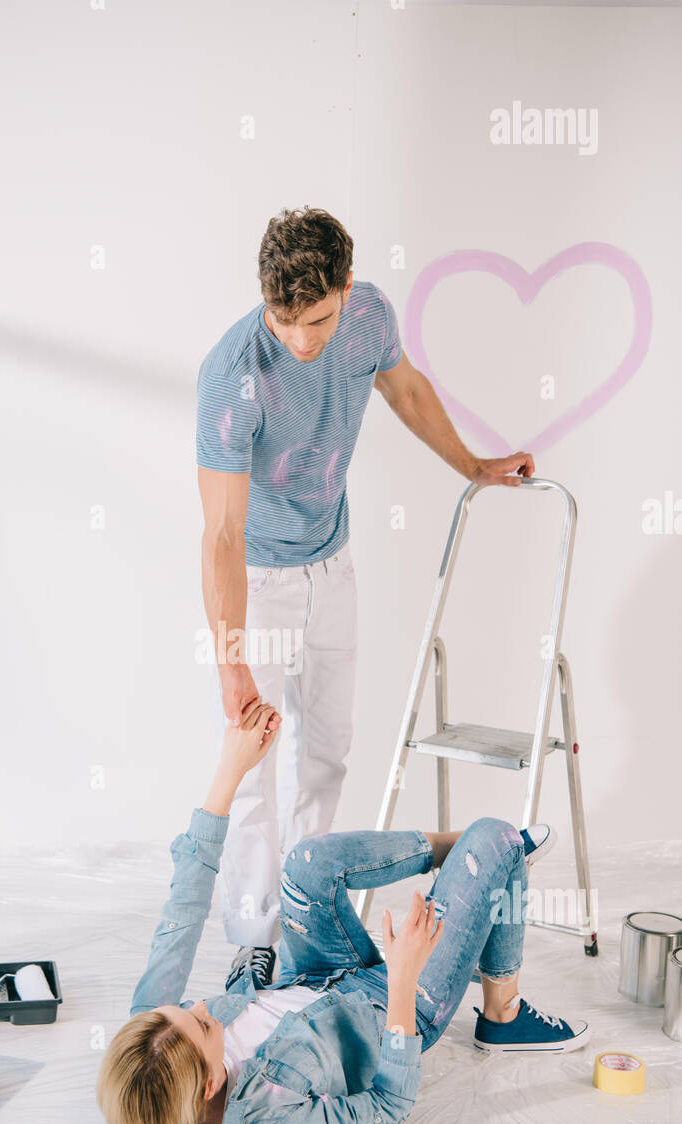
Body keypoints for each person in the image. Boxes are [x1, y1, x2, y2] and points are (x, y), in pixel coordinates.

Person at [197, 206, 536, 991]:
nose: (302, 339)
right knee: (253, 767)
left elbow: (405, 388)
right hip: (259, 580)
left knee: (327, 754)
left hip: (333, 565)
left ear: (346, 292)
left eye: (316, 319)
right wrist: (230, 662)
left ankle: (308, 920)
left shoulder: (369, 316)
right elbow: (219, 534)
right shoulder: (233, 375)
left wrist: (471, 466)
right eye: (285, 321)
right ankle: (253, 937)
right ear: (265, 299)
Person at [97, 700, 589, 1124]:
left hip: (311, 972)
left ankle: (448, 852)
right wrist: (400, 979)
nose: (201, 1007)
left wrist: (230, 771)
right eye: (202, 1026)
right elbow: (389, 1104)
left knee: (306, 865)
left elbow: (183, 905)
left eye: (185, 1007)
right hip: (394, 1005)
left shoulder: (152, 1040)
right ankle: (504, 1013)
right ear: (209, 1085)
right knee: (495, 838)